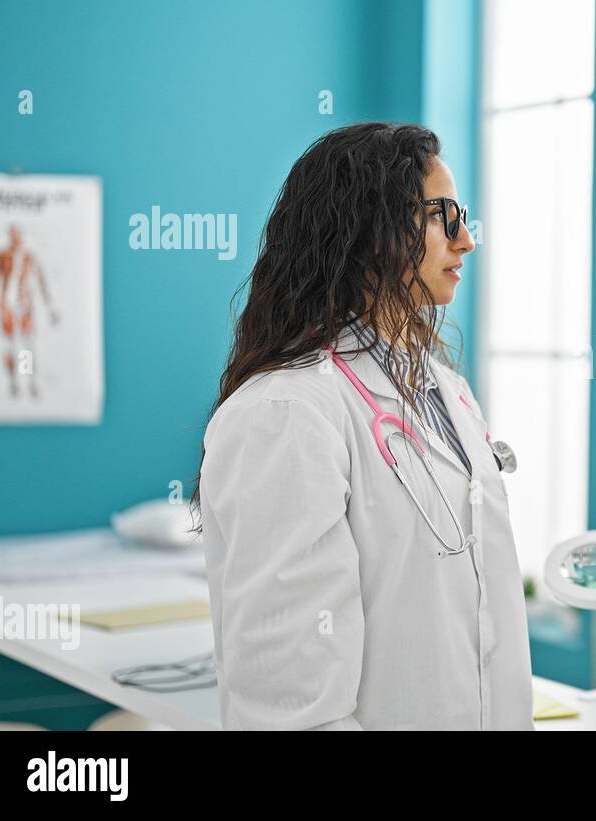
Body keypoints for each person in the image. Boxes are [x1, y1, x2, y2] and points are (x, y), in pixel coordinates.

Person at [195, 122, 533, 730]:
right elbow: (291, 701)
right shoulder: (287, 412)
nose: (466, 241)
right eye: (443, 215)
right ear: (372, 230)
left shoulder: (446, 392)